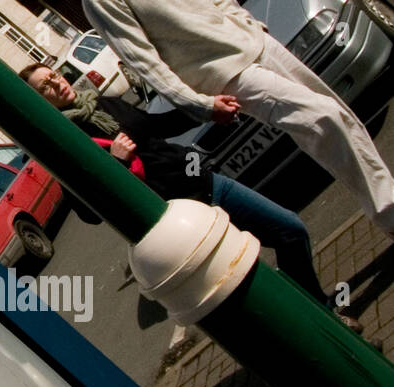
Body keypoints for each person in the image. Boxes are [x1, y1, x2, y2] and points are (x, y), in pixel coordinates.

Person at [55, 0, 394, 247]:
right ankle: (388, 212)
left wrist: (247, 23)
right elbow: (145, 61)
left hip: (256, 44)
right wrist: (199, 104)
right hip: (226, 75)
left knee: (338, 113)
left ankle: (388, 206)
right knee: (323, 119)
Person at [18, 63, 361, 331]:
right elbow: (90, 213)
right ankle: (316, 334)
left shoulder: (103, 103)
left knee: (290, 229)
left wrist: (207, 107)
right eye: (44, 87)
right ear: (38, 99)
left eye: (53, 76)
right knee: (246, 287)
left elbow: (157, 127)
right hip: (181, 222)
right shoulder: (64, 143)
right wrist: (116, 165)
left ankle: (320, 311)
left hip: (206, 183)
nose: (55, 84)